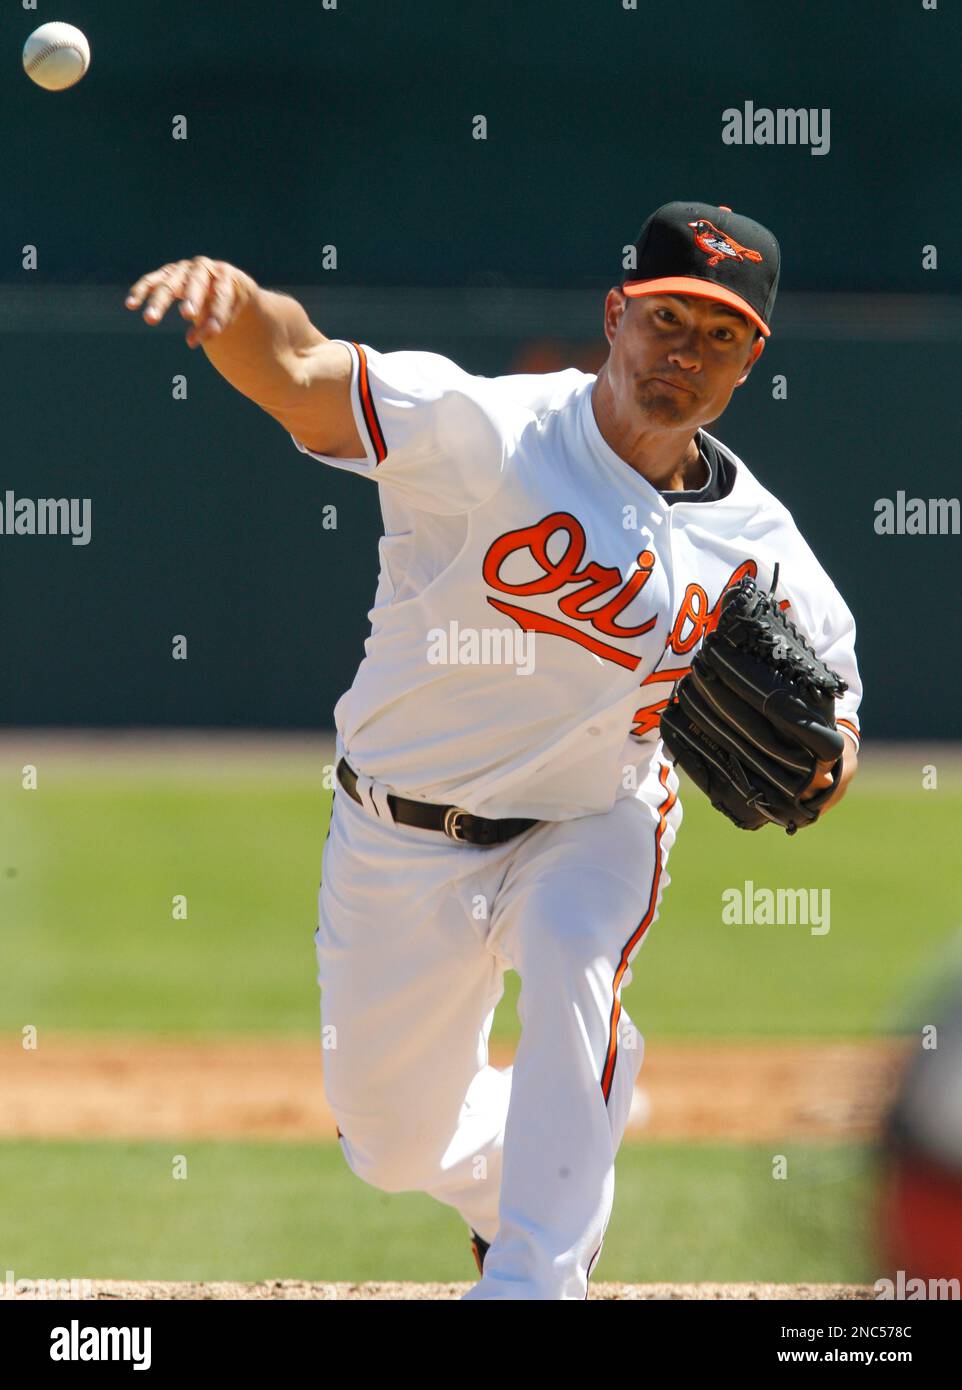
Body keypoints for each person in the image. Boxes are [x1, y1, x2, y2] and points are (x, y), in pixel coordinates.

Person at [126, 200, 862, 1300]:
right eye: (667, 318)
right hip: (396, 826)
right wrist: (234, 305)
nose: (684, 353)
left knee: (575, 948)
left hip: (590, 817)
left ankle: (532, 1277)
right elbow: (299, 368)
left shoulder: (758, 544)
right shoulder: (488, 431)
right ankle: (512, 1176)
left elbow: (833, 721)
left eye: (719, 335)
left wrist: (822, 765)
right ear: (614, 315)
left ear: (749, 359)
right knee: (390, 1143)